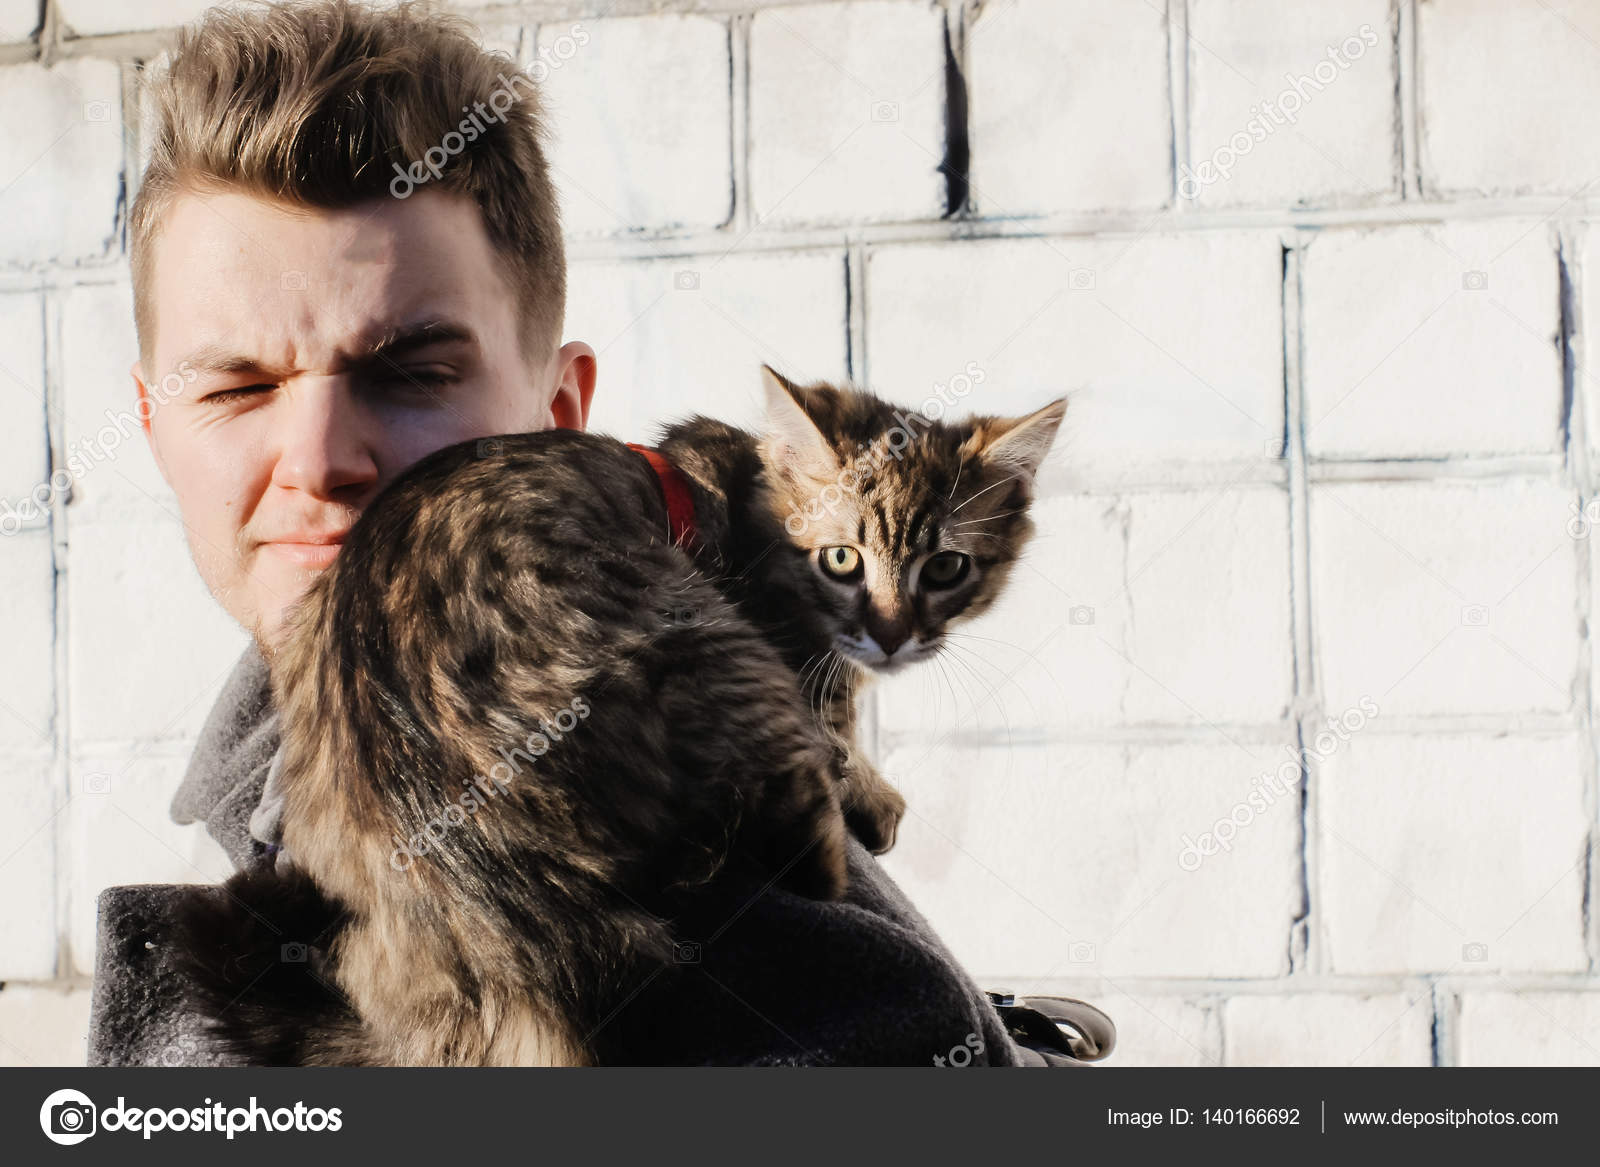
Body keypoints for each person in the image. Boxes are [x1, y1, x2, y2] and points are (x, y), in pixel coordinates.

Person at [85, 0, 1058, 1067]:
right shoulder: (271, 781)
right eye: (235, 387)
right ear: (152, 421)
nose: (319, 459)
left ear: (559, 416)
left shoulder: (734, 941)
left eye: (410, 373)